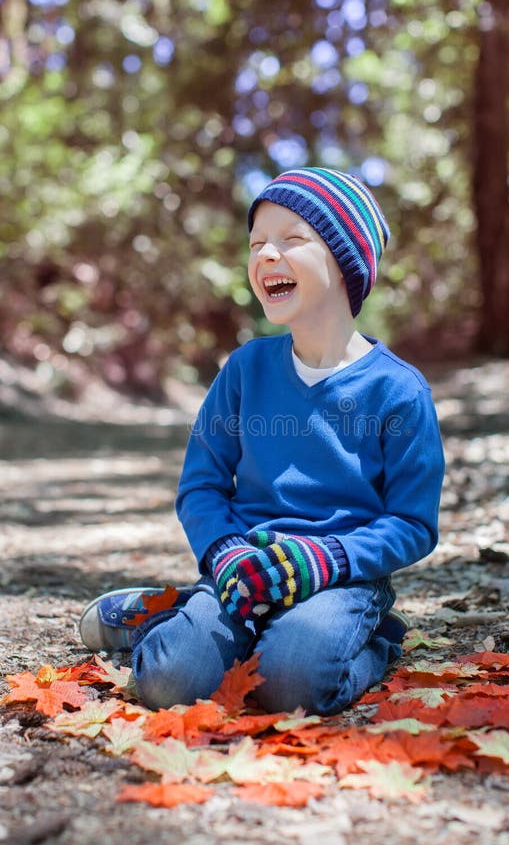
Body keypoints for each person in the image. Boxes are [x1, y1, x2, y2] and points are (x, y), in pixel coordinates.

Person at [79, 167, 445, 716]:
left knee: (292, 686)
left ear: (346, 262)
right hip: (243, 569)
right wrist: (225, 553)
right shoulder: (246, 370)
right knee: (169, 684)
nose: (266, 255)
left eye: (292, 239)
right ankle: (169, 616)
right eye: (256, 244)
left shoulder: (398, 390)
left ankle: (374, 640)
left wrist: (326, 559)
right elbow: (201, 485)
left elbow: (413, 524)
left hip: (340, 576)